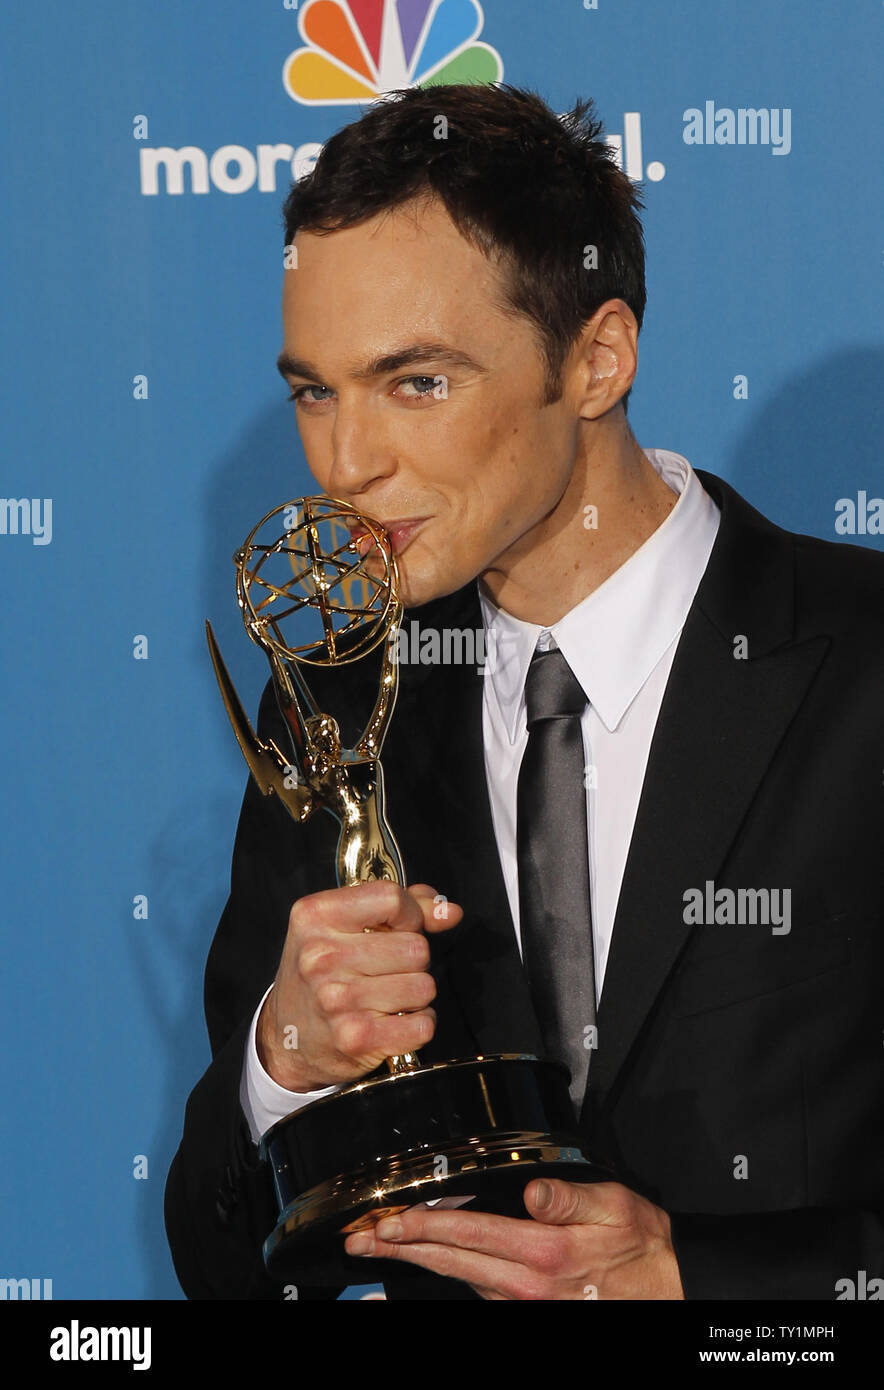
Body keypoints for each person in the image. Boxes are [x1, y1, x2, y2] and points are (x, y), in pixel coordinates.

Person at [164, 83, 884, 1300]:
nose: (345, 464)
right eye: (313, 390)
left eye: (416, 383)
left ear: (594, 358)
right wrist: (285, 1059)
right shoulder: (333, 705)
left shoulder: (861, 666)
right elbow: (221, 1261)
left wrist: (701, 1288)